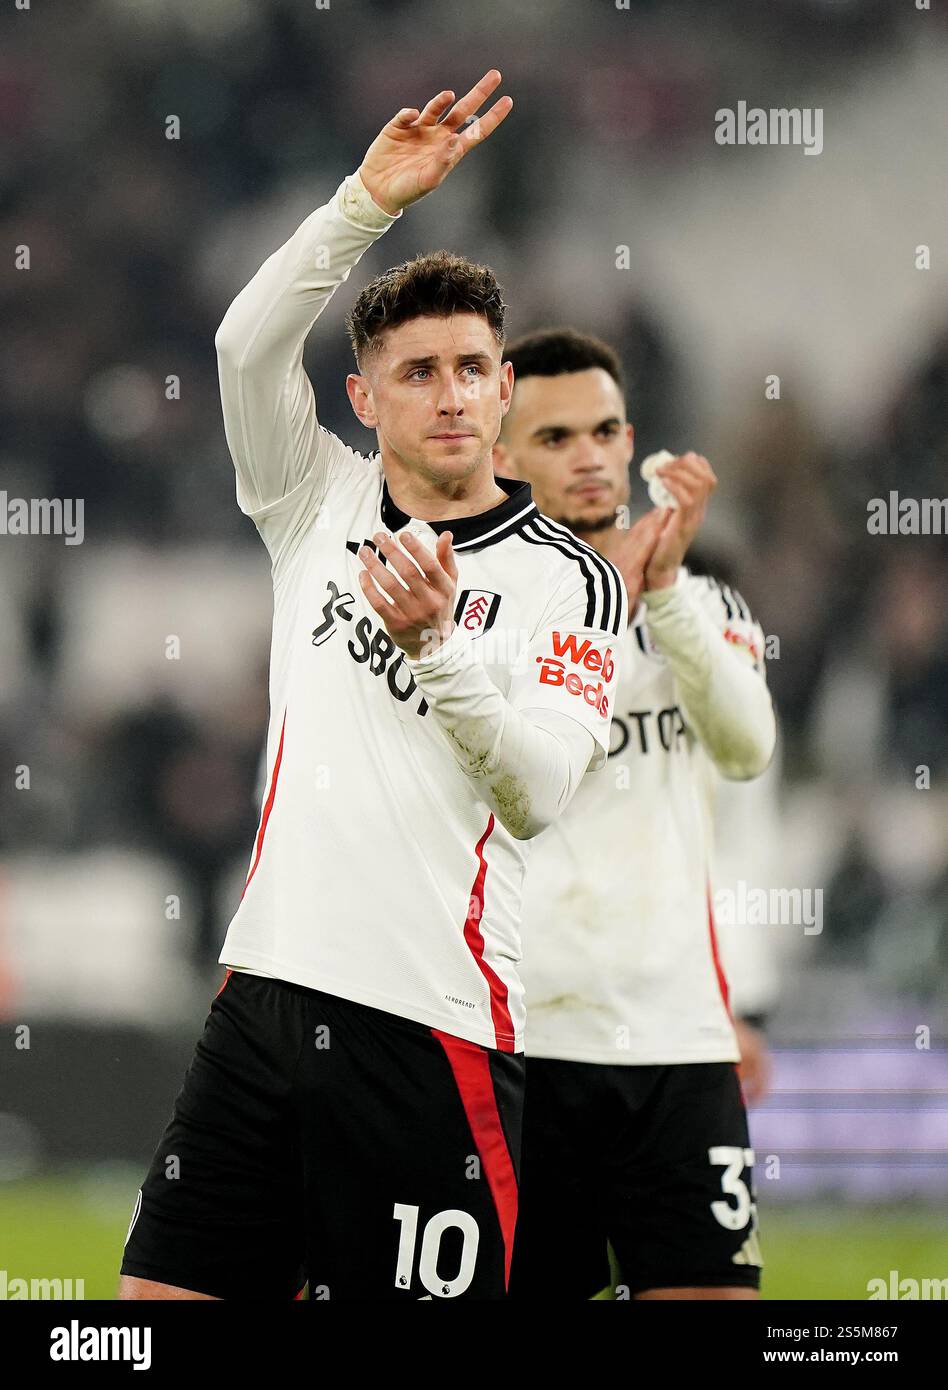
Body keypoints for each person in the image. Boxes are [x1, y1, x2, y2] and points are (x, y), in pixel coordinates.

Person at [117, 73, 627, 1302]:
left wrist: (441, 649)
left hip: (427, 1024)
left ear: (507, 389)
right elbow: (245, 344)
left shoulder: (573, 584)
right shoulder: (315, 502)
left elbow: (544, 789)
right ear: (363, 399)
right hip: (267, 993)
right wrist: (360, 203)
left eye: (471, 367)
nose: (450, 393)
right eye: (416, 372)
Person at [493, 327, 776, 1300]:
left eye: (606, 430)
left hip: (676, 1049)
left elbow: (747, 750)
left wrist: (662, 593)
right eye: (557, 434)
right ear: (500, 454)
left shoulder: (706, 606)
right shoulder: (477, 618)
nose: (589, 455)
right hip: (521, 1049)